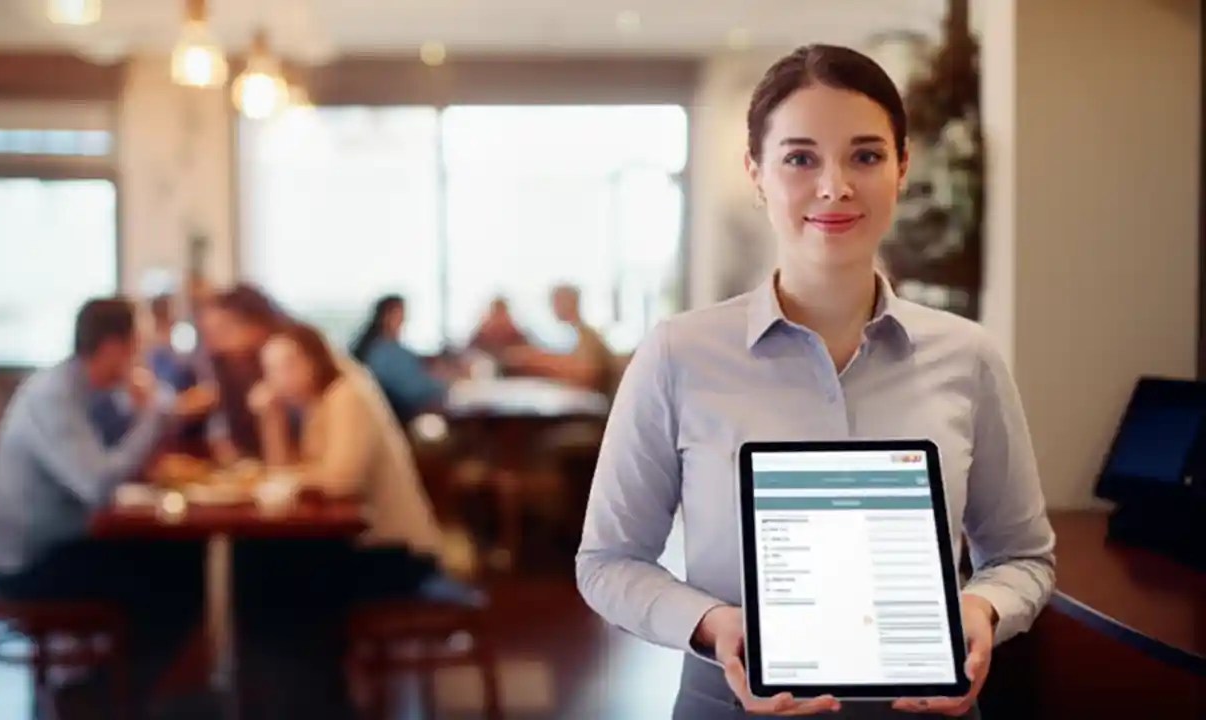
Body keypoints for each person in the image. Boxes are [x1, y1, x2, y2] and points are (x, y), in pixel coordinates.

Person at [575, 45, 1055, 719]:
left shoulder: (967, 356)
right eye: (800, 158)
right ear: (756, 173)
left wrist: (982, 607)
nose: (835, 186)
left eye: (865, 155)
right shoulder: (677, 355)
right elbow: (608, 562)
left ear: (902, 167)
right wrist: (715, 624)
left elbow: (1024, 557)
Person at [0, 298, 208, 714]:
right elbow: (98, 484)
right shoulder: (54, 397)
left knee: (176, 560)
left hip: (51, 546)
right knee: (179, 572)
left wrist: (137, 409)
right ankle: (104, 699)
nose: (140, 357)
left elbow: (108, 457)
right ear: (115, 348)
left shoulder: (75, 387)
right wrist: (157, 410)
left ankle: (113, 694)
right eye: (136, 346)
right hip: (29, 566)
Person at [235, 321, 460, 719]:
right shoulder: (316, 404)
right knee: (261, 573)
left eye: (287, 365)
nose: (278, 379)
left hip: (398, 552)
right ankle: (297, 701)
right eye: (270, 369)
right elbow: (284, 472)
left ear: (314, 359)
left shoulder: (346, 395)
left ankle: (314, 704)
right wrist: (270, 418)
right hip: (362, 546)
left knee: (279, 585)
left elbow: (340, 479)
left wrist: (289, 480)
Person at [201, 284, 287, 461]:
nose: (214, 344)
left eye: (225, 329)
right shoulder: (224, 365)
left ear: (259, 326)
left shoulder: (287, 364)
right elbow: (220, 424)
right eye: (208, 334)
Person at [348, 294, 449, 425]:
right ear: (385, 317)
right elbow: (413, 390)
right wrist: (444, 384)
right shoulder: (383, 353)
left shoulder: (393, 350)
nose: (403, 320)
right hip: (402, 422)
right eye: (399, 314)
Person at [502, 284, 614, 395]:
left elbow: (585, 375)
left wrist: (540, 362)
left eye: (557, 301)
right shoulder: (576, 334)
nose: (554, 307)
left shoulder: (589, 336)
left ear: (572, 302)